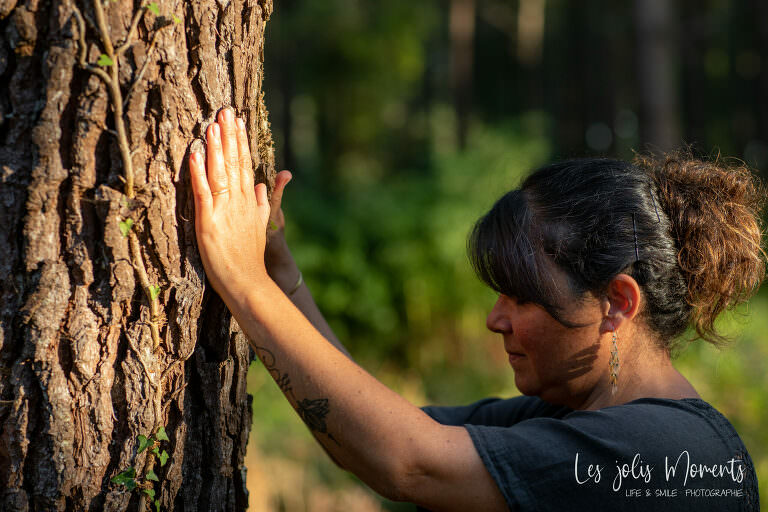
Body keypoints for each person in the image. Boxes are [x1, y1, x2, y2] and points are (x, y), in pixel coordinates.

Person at [188, 108, 763, 511]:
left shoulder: (667, 455)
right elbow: (375, 434)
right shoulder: (567, 418)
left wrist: (241, 282)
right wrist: (281, 282)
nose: (495, 319)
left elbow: (408, 462)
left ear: (617, 303)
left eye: (522, 296)